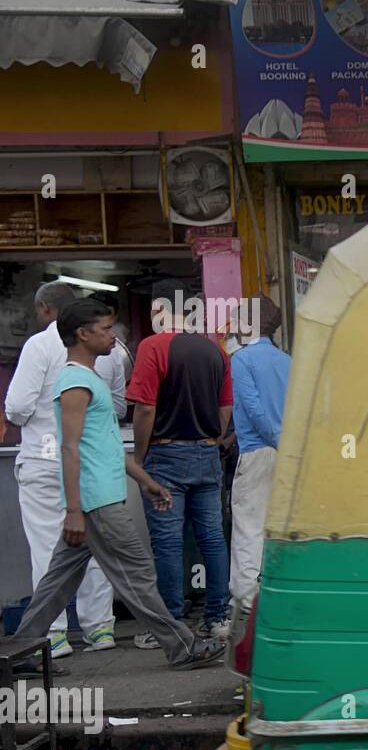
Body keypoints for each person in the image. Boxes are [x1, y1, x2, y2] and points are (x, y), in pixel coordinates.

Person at [9, 299, 224, 673]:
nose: (113, 336)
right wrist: (74, 510)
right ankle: (182, 647)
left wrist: (147, 481)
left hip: (97, 498)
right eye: (106, 329)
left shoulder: (88, 378)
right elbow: (70, 448)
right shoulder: (75, 381)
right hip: (96, 502)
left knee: (58, 581)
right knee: (138, 571)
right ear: (82, 333)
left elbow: (105, 446)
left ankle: (19, 654)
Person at [4, 281, 122, 657]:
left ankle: (53, 635)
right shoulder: (110, 347)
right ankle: (100, 628)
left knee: (48, 550)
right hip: (90, 461)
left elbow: (17, 408)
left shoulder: (39, 346)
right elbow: (118, 407)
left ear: (44, 309)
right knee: (94, 545)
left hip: (44, 457)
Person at [126, 286, 234, 646]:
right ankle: (217, 617)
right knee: (213, 539)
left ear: (158, 309)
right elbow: (225, 408)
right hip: (206, 455)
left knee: (168, 543)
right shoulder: (214, 350)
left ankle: (171, 623)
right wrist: (213, 441)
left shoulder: (152, 347)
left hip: (165, 456)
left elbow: (144, 408)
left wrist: (140, 459)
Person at [228, 297, 291, 603]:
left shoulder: (241, 359)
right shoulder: (287, 360)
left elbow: (252, 407)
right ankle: (278, 592)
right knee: (279, 527)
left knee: (249, 527)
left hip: (257, 451)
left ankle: (246, 601)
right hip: (287, 453)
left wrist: (273, 438)